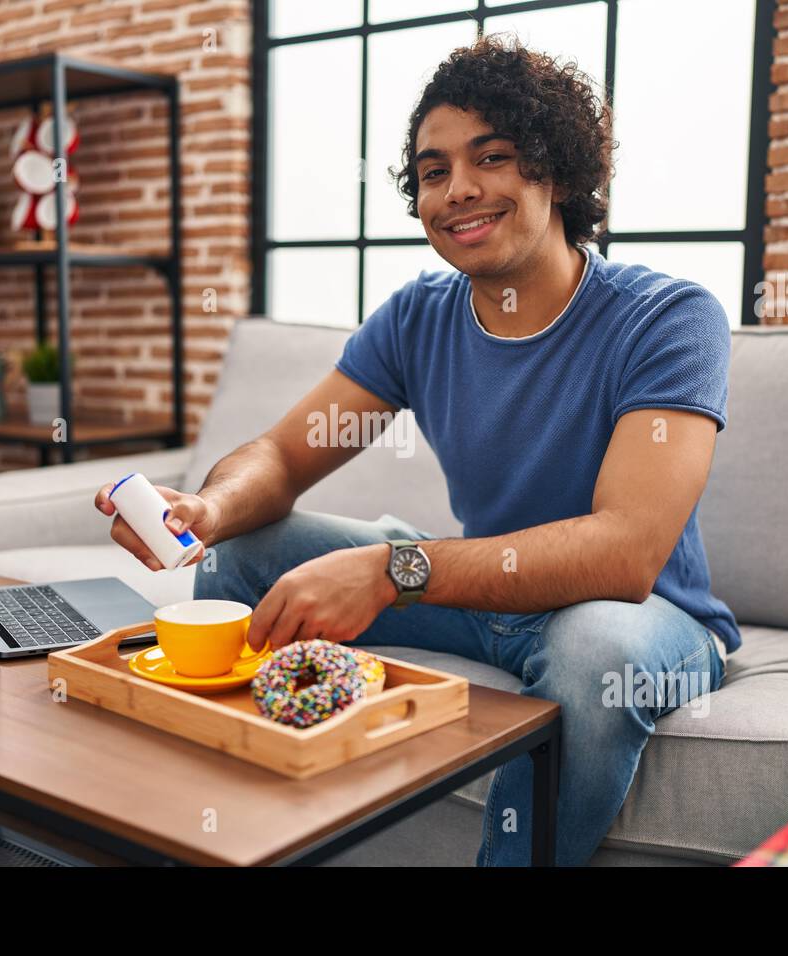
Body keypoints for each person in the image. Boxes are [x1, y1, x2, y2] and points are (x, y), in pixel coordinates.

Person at [95, 34, 738, 867]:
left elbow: (626, 552)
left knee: (593, 654)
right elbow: (286, 458)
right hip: (483, 595)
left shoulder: (669, 318)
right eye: (434, 172)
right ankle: (242, 837)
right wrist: (207, 509)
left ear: (557, 170)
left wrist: (391, 571)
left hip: (645, 619)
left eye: (492, 157)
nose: (458, 189)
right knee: (250, 550)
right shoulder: (417, 318)